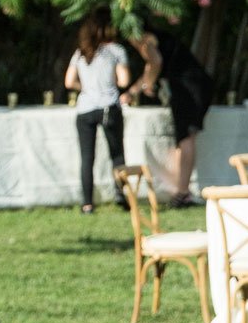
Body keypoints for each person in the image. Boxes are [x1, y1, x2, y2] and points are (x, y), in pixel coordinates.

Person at [124, 14, 215, 206]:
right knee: (184, 138)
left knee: (186, 137)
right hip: (192, 85)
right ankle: (181, 188)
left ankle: (183, 192)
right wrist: (134, 90)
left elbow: (155, 62)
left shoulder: (144, 39)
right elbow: (151, 67)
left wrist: (147, 85)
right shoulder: (156, 36)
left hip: (188, 88)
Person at [64, 12, 130, 214]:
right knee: (117, 154)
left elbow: (69, 82)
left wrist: (85, 87)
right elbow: (124, 81)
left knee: (87, 158)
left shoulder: (80, 53)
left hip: (85, 108)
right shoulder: (116, 51)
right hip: (109, 106)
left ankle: (87, 203)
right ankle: (121, 196)